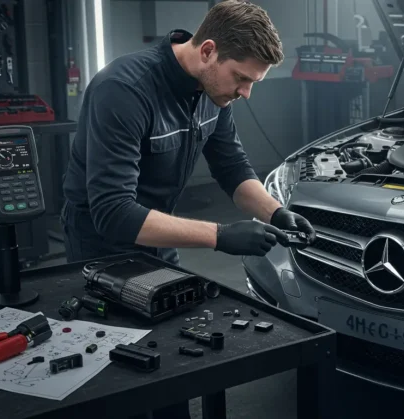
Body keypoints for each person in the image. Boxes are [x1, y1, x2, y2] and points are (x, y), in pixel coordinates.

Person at [60, 1, 316, 417]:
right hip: (101, 245)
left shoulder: (212, 93)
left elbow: (232, 168)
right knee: (117, 373)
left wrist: (275, 212)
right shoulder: (123, 90)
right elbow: (113, 211)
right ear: (209, 50)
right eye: (242, 78)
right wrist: (219, 237)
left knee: (172, 364)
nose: (245, 92)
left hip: (160, 238)